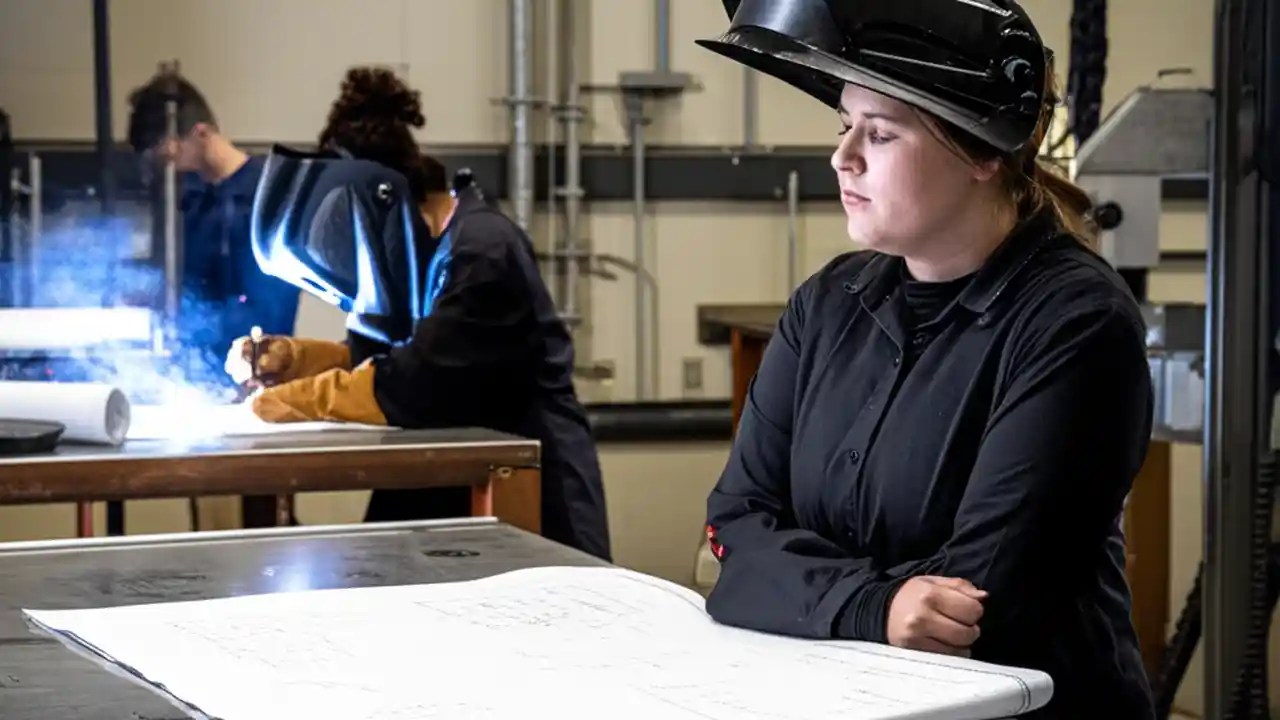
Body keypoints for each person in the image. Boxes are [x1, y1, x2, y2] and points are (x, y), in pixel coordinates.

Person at [695, 1, 1154, 718]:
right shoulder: (827, 303)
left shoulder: (1077, 323)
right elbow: (730, 536)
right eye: (844, 125)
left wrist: (803, 586)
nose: (842, 157)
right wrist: (878, 604)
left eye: (879, 132)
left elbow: (980, 605)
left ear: (982, 154)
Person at [225, 67, 611, 562]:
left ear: (381, 199)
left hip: (532, 501)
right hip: (457, 490)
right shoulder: (429, 253)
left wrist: (282, 403)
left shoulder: (482, 252)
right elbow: (378, 355)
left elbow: (414, 380)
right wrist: (295, 360)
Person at [125, 68, 300, 395]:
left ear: (201, 132)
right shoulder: (190, 201)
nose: (168, 168)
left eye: (170, 152)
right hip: (196, 373)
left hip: (257, 376)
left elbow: (271, 304)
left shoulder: (266, 194)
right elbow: (185, 286)